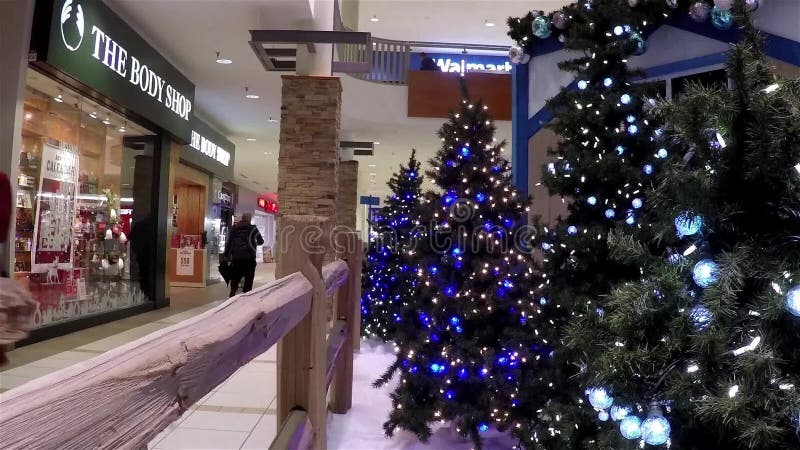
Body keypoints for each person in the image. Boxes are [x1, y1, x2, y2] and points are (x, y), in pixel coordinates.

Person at [223, 213, 263, 297]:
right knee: (249, 279)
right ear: (249, 219)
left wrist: (226, 256)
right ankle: (246, 295)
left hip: (236, 258)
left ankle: (232, 293)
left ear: (242, 218)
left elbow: (229, 243)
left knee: (235, 277)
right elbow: (261, 241)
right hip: (249, 259)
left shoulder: (234, 228)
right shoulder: (253, 228)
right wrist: (254, 243)